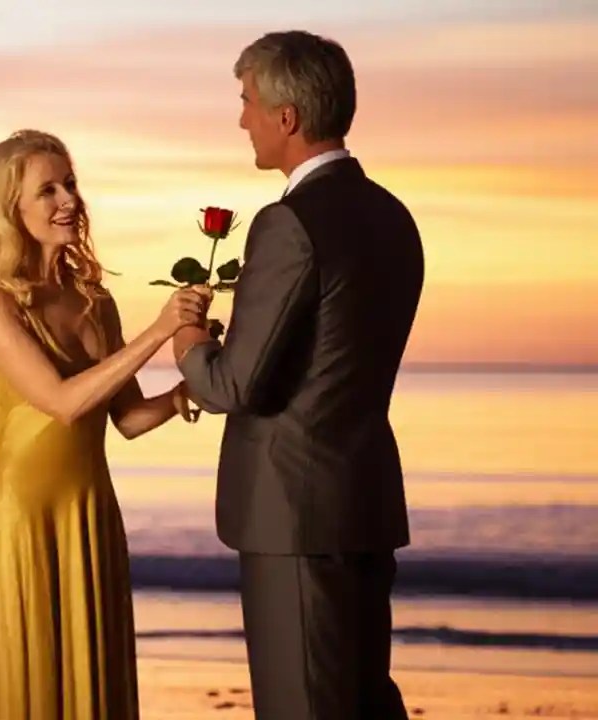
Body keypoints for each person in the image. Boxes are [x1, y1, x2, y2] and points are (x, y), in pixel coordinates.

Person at [171, 31, 424, 719]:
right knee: (363, 703)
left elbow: (231, 387)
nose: (243, 118)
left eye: (248, 101)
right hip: (362, 503)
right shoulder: (393, 217)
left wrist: (188, 339)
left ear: (288, 117)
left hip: (294, 518)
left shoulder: (289, 222)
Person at [0, 129, 203, 719]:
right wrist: (159, 332)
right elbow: (61, 402)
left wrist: (195, 390)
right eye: (48, 189)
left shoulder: (94, 299)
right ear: (11, 211)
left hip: (87, 510)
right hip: (21, 517)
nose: (68, 201)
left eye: (71, 184)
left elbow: (129, 418)